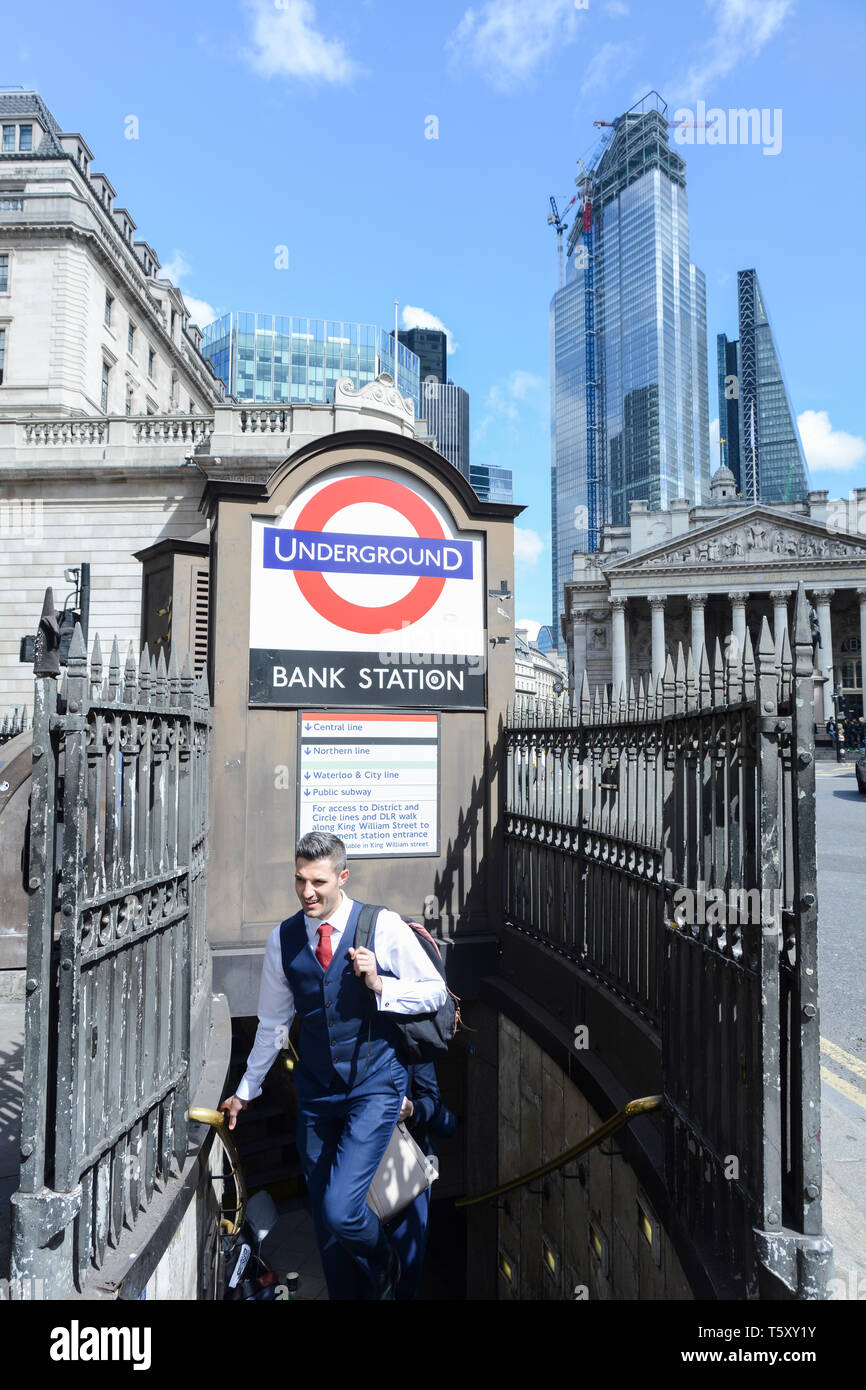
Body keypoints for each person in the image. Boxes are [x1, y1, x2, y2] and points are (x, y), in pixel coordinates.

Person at [220, 831, 447, 1300]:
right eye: (300, 880)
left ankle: (387, 1266)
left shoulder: (380, 926)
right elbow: (272, 1025)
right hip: (317, 1095)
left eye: (318, 882)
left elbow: (435, 991)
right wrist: (246, 1089)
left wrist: (381, 983)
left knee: (343, 1209)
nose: (307, 892)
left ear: (342, 877)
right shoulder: (283, 939)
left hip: (374, 1087)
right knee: (326, 1225)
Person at [387, 1062, 458, 1301]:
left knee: (406, 1270)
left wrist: (412, 1109)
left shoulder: (409, 1038)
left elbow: (431, 1099)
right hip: (363, 1172)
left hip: (408, 1172)